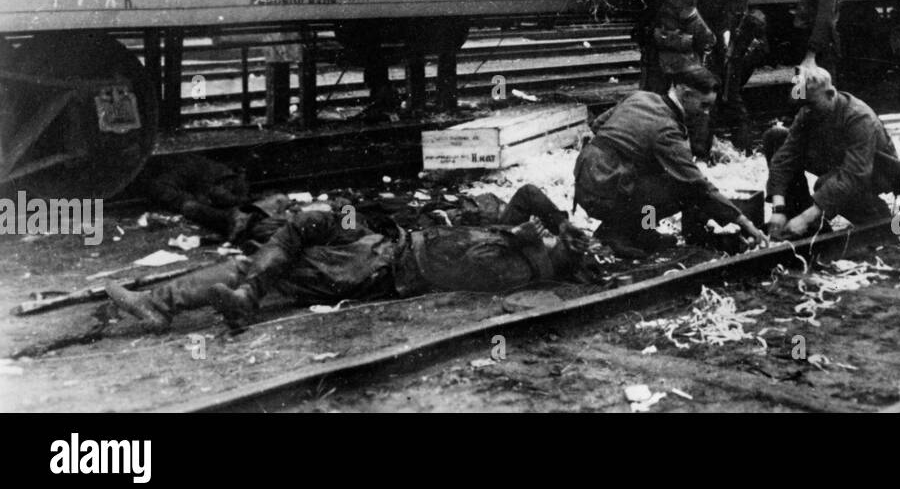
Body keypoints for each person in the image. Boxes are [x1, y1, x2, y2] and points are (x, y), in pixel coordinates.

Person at [106, 185, 590, 332]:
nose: (564, 239)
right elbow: (526, 192)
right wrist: (555, 217)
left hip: (377, 270)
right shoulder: (525, 242)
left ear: (559, 266)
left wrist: (515, 239)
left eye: (569, 248)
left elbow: (439, 264)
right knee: (310, 219)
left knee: (276, 266)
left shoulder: (512, 269)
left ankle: (164, 302)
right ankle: (245, 295)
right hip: (383, 242)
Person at [573, 65, 767, 258]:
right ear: (686, 94)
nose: (706, 113)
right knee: (684, 190)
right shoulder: (667, 129)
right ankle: (620, 233)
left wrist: (630, 153)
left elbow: (598, 124)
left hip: (587, 179)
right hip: (605, 190)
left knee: (660, 178)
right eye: (704, 105)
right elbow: (696, 183)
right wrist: (742, 220)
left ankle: (643, 230)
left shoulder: (641, 97)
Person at [763, 66, 900, 239]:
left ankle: (874, 215)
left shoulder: (859, 117)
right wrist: (779, 208)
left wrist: (806, 218)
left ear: (830, 94)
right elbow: (785, 157)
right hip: (836, 161)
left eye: (811, 104)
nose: (806, 111)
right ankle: (808, 224)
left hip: (871, 174)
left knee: (826, 184)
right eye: (802, 104)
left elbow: (854, 176)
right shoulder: (808, 110)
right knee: (775, 137)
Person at [701, 0, 766, 148]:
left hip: (727, 40)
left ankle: (743, 147)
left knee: (729, 96)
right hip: (734, 39)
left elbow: (714, 5)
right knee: (727, 95)